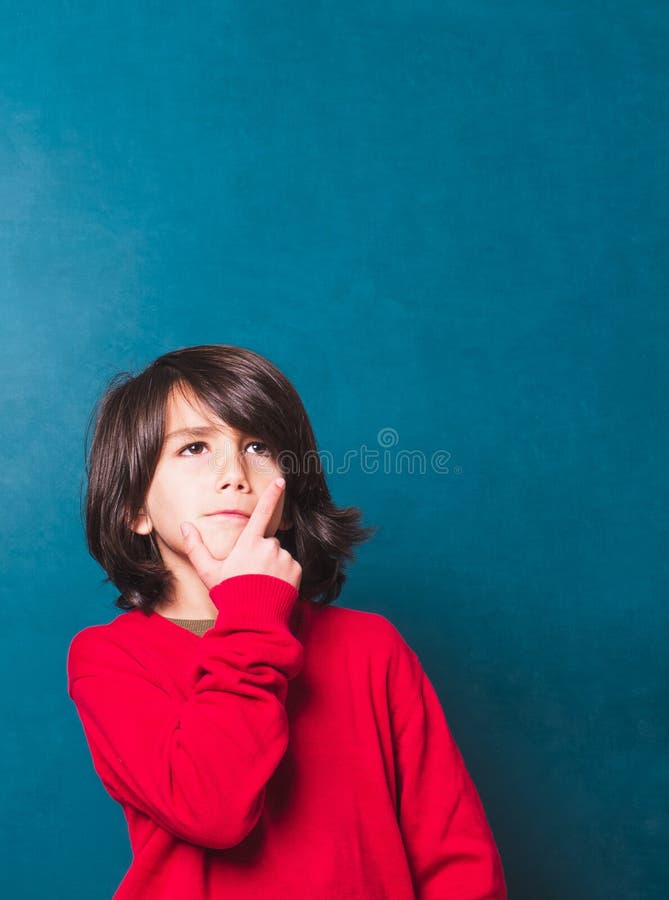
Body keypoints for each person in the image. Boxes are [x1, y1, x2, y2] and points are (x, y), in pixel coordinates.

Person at [66, 344, 507, 899]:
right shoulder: (108, 659)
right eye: (195, 447)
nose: (233, 474)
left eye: (257, 447)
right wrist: (252, 610)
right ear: (135, 508)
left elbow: (455, 857)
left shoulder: (370, 647)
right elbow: (212, 810)